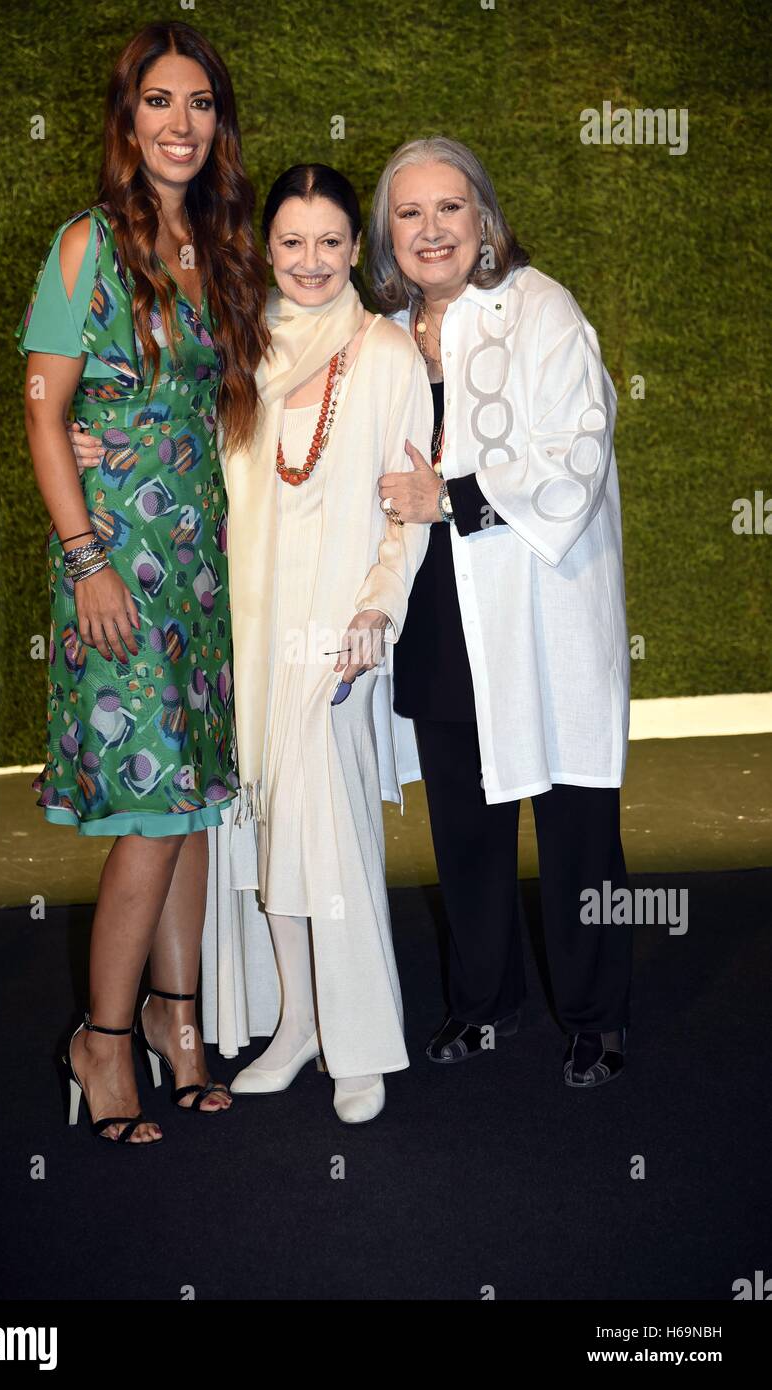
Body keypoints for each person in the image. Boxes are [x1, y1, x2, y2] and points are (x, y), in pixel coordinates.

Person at [73, 164, 433, 1124]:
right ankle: (298, 1025)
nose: (310, 262)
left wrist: (376, 615)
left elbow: (410, 515)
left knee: (334, 827)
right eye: (290, 242)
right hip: (246, 625)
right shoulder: (246, 344)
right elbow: (179, 437)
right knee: (269, 822)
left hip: (343, 632)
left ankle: (361, 1041)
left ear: (356, 249)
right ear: (265, 249)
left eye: (329, 243)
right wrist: (99, 441)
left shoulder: (388, 356)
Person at [16, 21, 269, 1143]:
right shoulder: (85, 245)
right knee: (151, 807)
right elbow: (43, 412)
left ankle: (178, 1024)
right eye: (160, 103)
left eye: (200, 104)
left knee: (193, 802)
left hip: (197, 568)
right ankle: (101, 1042)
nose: (180, 124)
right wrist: (85, 561)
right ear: (127, 120)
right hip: (115, 562)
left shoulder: (219, 245)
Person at [369, 137, 633, 1088]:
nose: (431, 229)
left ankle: (598, 1017)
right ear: (385, 234)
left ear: (483, 218)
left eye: (450, 208)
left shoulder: (541, 308)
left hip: (539, 601)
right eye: (409, 213)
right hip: (440, 611)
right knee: (467, 830)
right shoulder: (379, 332)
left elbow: (580, 450)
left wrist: (455, 499)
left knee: (574, 825)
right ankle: (485, 1006)